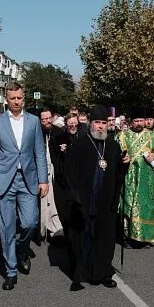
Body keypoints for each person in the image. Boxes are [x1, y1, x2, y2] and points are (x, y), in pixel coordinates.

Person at [0, 82, 48, 291]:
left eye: (19, 98)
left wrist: (43, 180)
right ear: (6, 99)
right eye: (12, 98)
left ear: (24, 98)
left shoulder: (33, 122)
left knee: (30, 222)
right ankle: (11, 270)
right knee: (6, 227)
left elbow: (39, 152)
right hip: (5, 180)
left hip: (28, 179)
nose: (16, 101)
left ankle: (22, 251)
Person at [63, 105, 123, 291]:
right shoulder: (80, 145)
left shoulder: (113, 146)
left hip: (105, 201)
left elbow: (118, 173)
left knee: (104, 237)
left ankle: (103, 272)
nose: (101, 127)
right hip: (85, 201)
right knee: (84, 237)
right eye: (97, 122)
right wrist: (77, 198)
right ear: (90, 123)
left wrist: (125, 165)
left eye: (104, 123)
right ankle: (80, 274)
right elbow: (69, 174)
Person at [116, 106, 154, 247]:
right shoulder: (122, 136)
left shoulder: (153, 136)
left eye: (141, 120)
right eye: (136, 121)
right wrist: (122, 159)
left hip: (146, 178)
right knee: (128, 206)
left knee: (146, 206)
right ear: (131, 122)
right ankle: (127, 237)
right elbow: (116, 154)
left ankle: (145, 236)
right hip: (128, 178)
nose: (139, 123)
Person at [38, 108, 63, 241]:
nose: (48, 121)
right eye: (44, 119)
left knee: (54, 201)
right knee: (42, 201)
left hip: (55, 170)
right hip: (41, 172)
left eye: (49, 118)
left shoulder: (58, 131)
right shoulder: (36, 133)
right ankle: (42, 230)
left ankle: (55, 230)